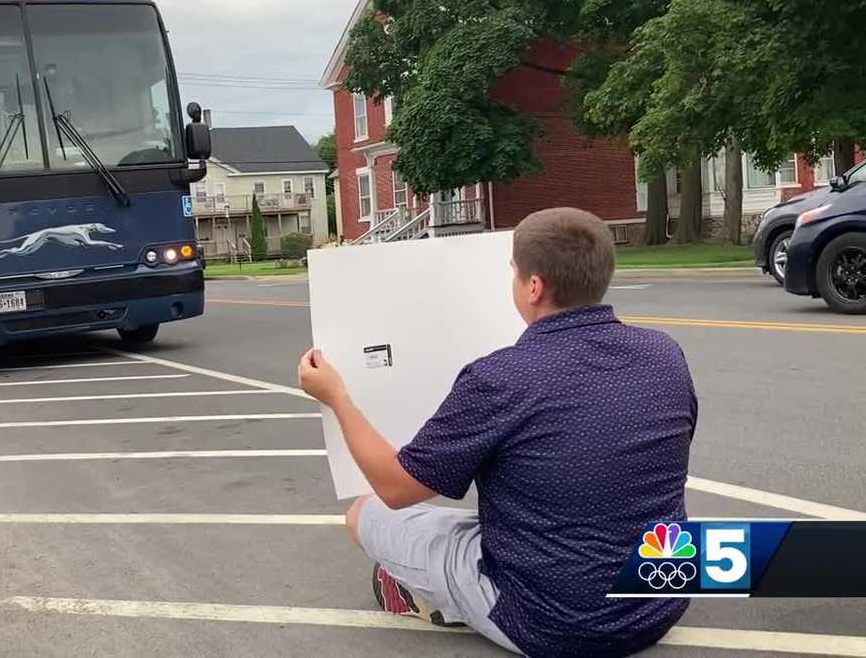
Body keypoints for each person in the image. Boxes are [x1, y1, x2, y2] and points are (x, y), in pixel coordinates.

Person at [297, 207, 696, 657]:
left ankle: (428, 597)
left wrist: (338, 399)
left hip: (555, 625)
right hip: (661, 600)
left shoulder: (501, 378)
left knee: (364, 513)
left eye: (513, 273)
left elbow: (395, 487)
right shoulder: (665, 354)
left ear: (534, 286)